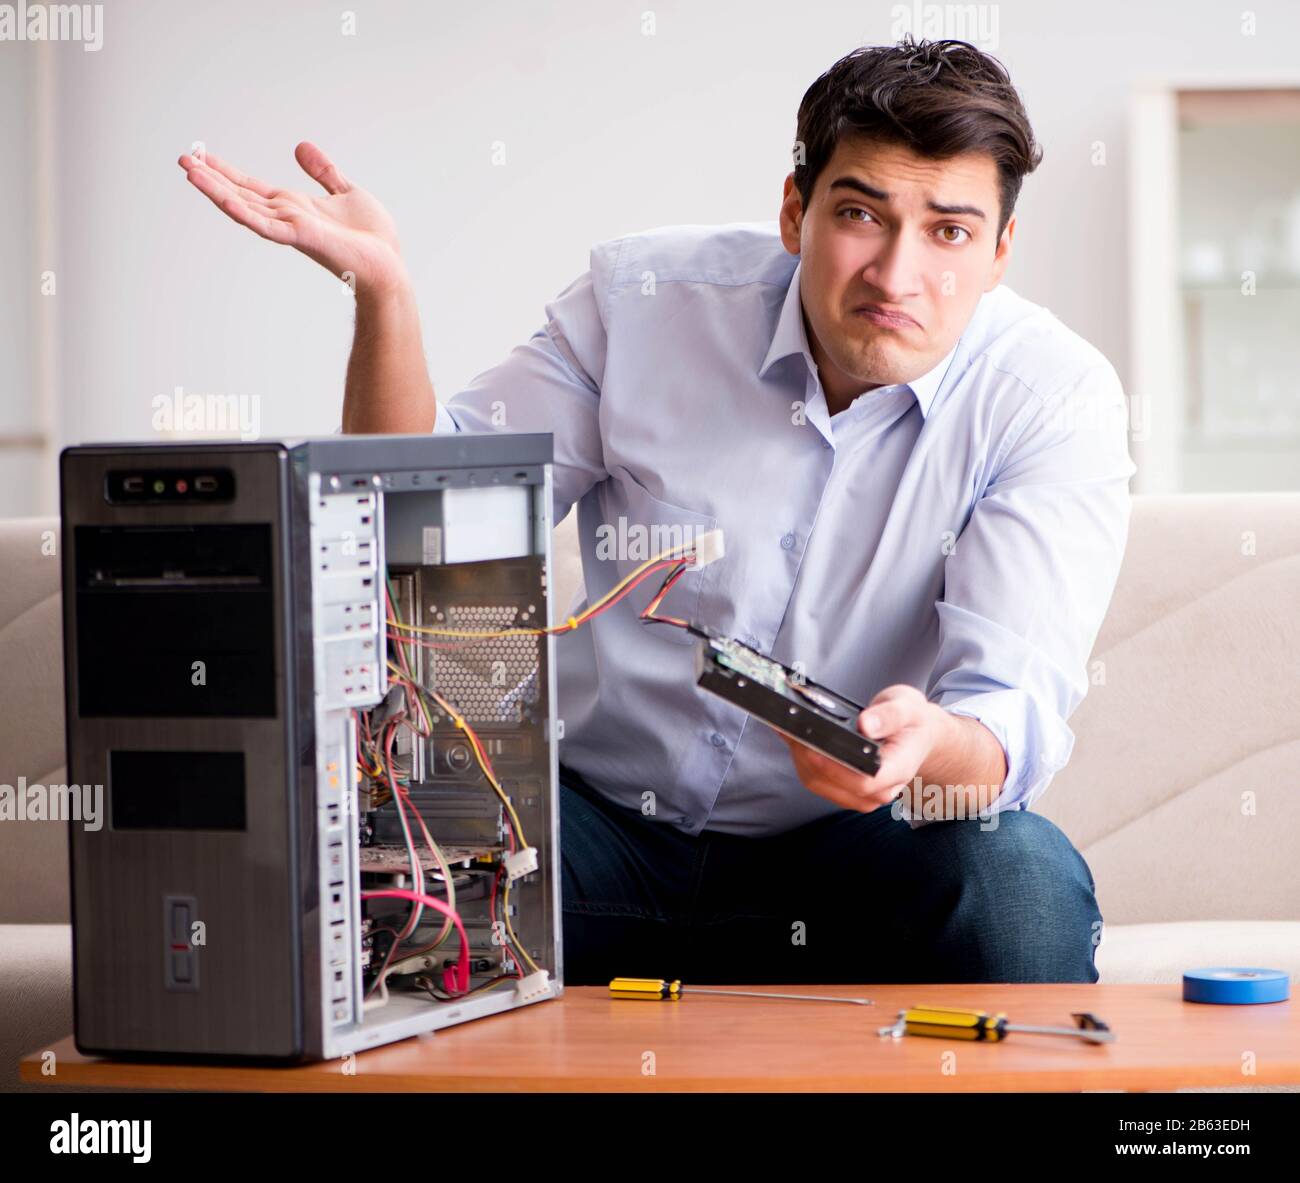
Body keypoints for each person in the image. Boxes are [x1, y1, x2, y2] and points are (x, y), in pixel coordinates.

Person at [179, 36, 1135, 986]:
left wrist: (924, 750)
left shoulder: (1049, 400)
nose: (895, 275)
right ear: (795, 210)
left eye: (951, 232)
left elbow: (1006, 713)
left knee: (1020, 882)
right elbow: (414, 526)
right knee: (328, 860)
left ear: (1002, 249)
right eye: (860, 213)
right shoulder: (641, 304)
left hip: (848, 863)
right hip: (586, 844)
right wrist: (382, 294)